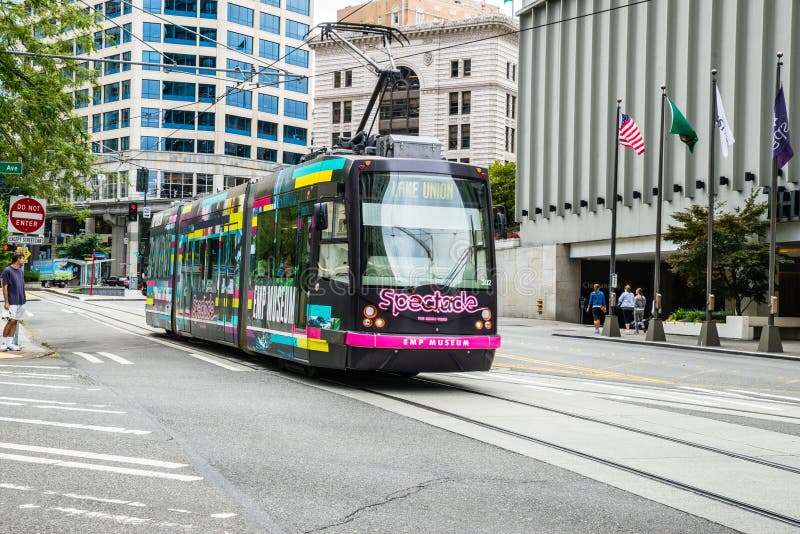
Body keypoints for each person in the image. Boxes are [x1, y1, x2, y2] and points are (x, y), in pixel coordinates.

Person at [2, 252, 27, 351]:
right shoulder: (7, 270)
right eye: (23, 259)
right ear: (18, 259)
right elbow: (5, 287)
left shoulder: (20, 271)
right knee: (11, 321)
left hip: (21, 300)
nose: (24, 260)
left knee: (15, 321)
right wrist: (6, 302)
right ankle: (3, 343)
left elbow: (22, 286)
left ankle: (10, 343)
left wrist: (24, 298)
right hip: (12, 300)